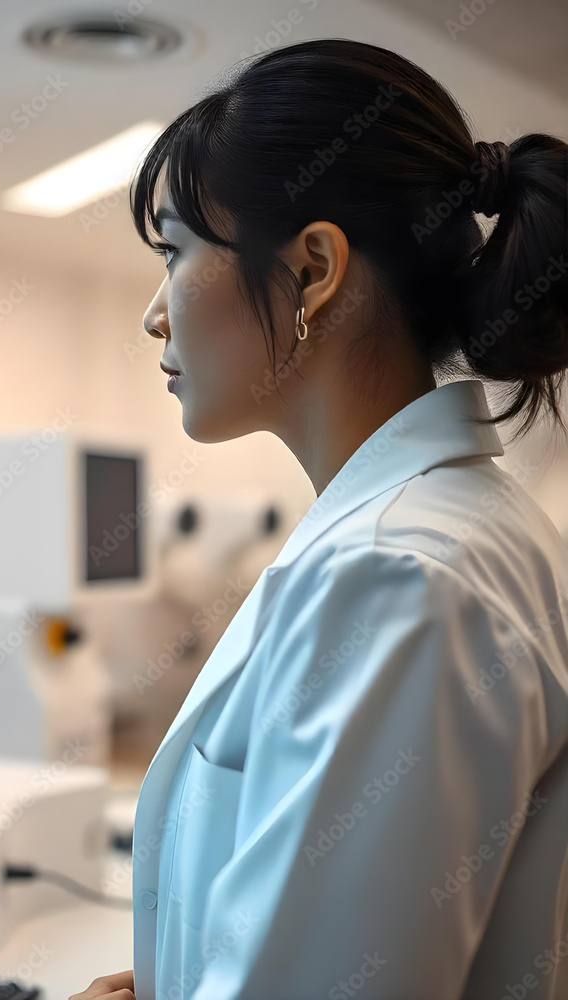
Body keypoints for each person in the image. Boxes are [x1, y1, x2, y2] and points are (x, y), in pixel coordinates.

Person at [70, 37, 568, 1000]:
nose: (153, 314)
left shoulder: (401, 580)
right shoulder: (429, 537)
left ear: (312, 271)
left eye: (173, 251)